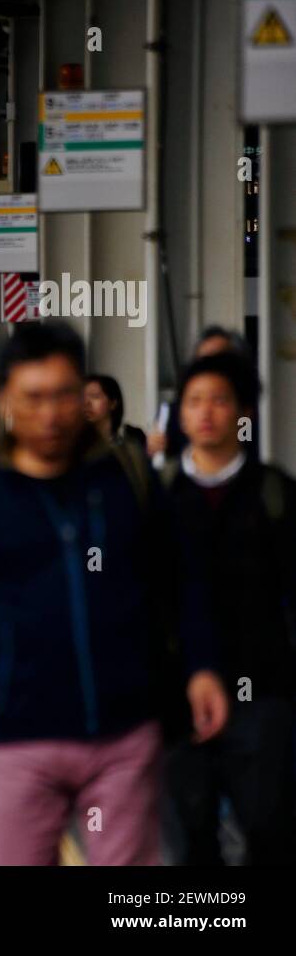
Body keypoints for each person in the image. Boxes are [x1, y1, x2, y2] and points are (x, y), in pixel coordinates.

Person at [0, 322, 228, 865]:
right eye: (33, 398)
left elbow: (181, 581)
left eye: (63, 396)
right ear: (4, 399)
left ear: (83, 397)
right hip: (25, 734)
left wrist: (204, 667)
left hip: (125, 731)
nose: (49, 414)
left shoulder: (125, 481)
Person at [160, 352, 296, 866]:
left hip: (263, 693)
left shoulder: (276, 495)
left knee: (271, 830)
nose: (206, 412)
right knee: (190, 840)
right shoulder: (160, 495)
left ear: (245, 413)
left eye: (220, 400)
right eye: (194, 401)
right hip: (177, 698)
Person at [148, 325, 250, 460]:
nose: (205, 412)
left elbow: (249, 450)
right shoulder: (171, 412)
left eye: (221, 361)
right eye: (204, 361)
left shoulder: (245, 414)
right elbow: (159, 458)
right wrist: (155, 448)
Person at [83, 374, 148, 454]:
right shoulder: (74, 440)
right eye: (82, 397)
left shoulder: (133, 436)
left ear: (113, 403)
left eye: (95, 396)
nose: (86, 403)